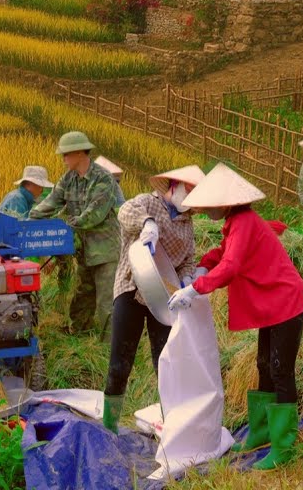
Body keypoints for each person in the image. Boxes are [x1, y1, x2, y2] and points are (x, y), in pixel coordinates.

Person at [167, 163, 303, 470]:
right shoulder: (235, 223)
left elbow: (231, 266)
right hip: (273, 305)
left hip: (287, 303)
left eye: (209, 206)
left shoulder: (244, 221)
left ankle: (284, 448)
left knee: (280, 369)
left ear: (225, 203)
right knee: (263, 364)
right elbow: (224, 253)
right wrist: (206, 263)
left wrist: (195, 288)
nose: (205, 211)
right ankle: (260, 432)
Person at [102, 164, 206, 432]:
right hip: (132, 289)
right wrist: (147, 224)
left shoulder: (187, 223)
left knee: (165, 360)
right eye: (187, 189)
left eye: (194, 192)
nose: (189, 196)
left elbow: (187, 260)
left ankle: (171, 424)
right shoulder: (147, 203)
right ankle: (109, 425)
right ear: (173, 186)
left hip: (164, 299)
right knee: (120, 362)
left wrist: (185, 280)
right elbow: (125, 212)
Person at [30, 131, 121, 338]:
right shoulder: (68, 179)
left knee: (106, 302)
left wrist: (63, 228)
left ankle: (110, 346)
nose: (63, 160)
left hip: (105, 250)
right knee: (83, 296)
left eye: (66, 155)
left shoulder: (103, 179)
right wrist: (29, 220)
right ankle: (80, 335)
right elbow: (51, 203)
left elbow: (93, 215)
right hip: (84, 250)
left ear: (79, 153)